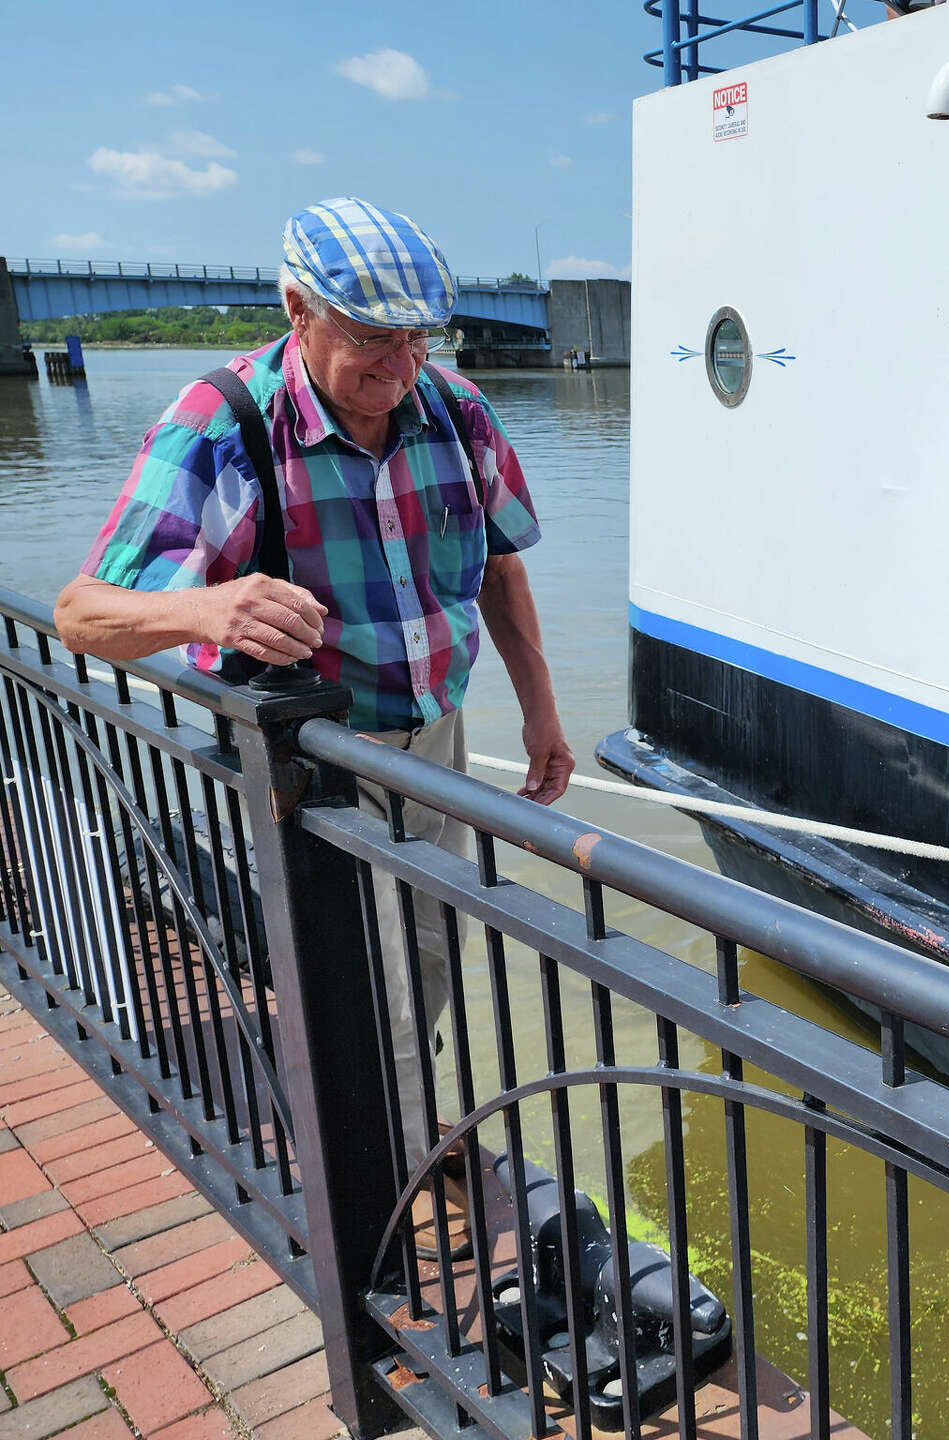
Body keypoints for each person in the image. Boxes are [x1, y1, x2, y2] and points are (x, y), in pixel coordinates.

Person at [53, 197, 574, 1168]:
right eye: (371, 339)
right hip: (307, 753)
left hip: (434, 733)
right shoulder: (223, 422)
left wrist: (542, 712)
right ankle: (384, 1158)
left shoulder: (455, 411)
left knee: (426, 942)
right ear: (296, 307)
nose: (398, 368)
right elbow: (84, 612)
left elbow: (500, 565)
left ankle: (400, 1118)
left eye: (418, 338)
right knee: (351, 959)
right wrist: (204, 610)